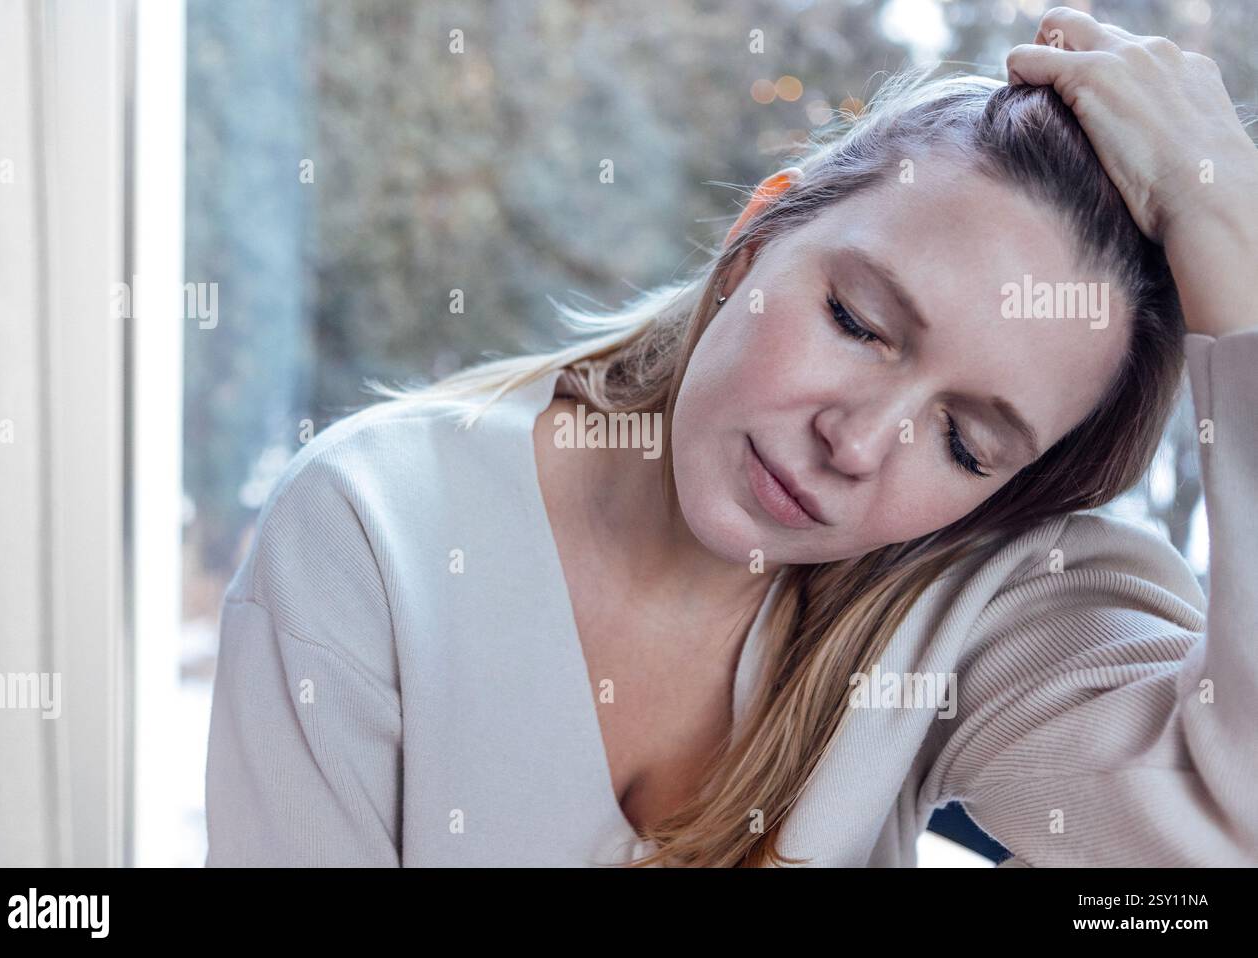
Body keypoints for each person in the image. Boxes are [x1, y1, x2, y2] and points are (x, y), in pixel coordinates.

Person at [205, 8, 1258, 867]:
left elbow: (1228, 831)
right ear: (752, 245)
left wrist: (1235, 239)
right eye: (857, 324)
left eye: (967, 446)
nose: (856, 443)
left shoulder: (981, 595)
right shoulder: (376, 526)